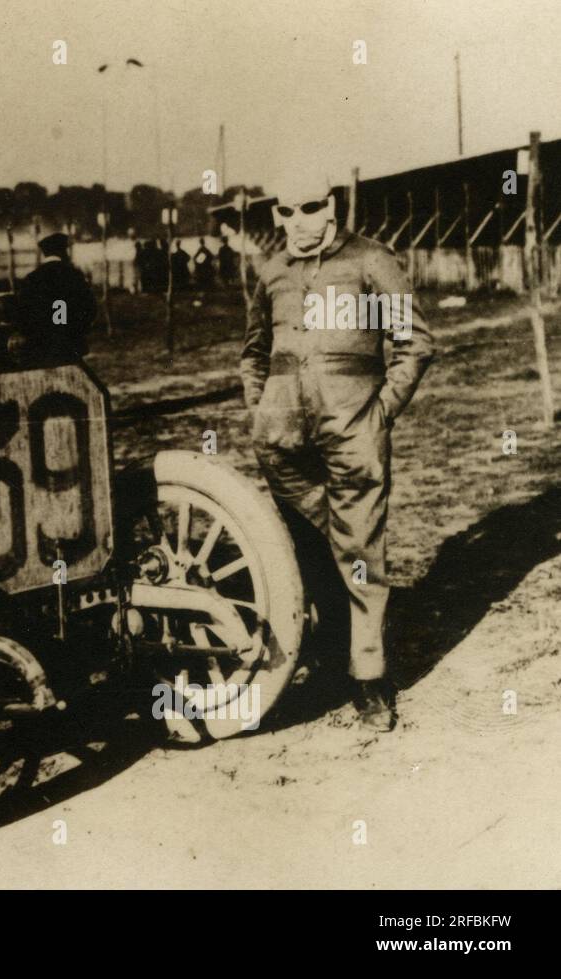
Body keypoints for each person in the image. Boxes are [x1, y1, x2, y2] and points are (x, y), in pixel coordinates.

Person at [240, 170, 435, 731]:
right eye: (287, 211)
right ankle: (326, 657)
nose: (299, 221)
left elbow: (414, 342)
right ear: (276, 216)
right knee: (308, 545)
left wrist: (380, 412)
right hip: (280, 443)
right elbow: (253, 352)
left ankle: (368, 677)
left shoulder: (372, 259)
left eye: (310, 207)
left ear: (331, 207)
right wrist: (262, 408)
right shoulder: (272, 271)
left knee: (358, 551)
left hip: (353, 430)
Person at [13, 232, 95, 357]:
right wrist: (79, 331)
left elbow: (22, 312)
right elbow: (89, 307)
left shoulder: (31, 278)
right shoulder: (74, 275)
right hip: (71, 344)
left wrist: (33, 335)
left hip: (40, 346)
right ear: (63, 252)